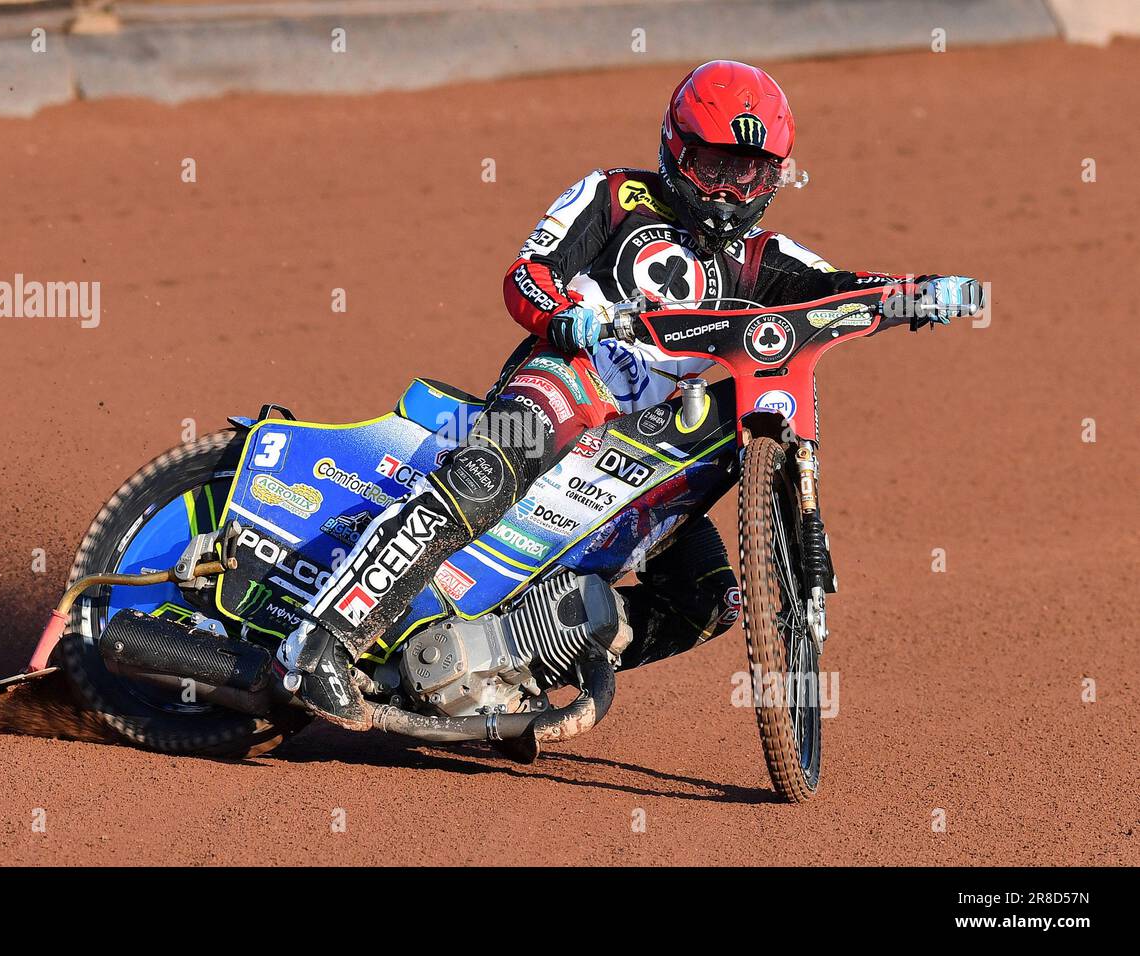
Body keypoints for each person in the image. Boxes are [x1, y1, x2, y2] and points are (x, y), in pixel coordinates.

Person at [280, 59, 982, 729]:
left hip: (644, 443)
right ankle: (318, 642)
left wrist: (921, 295)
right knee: (487, 471)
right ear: (677, 150)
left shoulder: (766, 258)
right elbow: (526, 274)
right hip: (563, 383)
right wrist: (563, 315)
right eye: (715, 169)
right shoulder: (614, 195)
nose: (731, 192)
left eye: (752, 174)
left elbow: (844, 290)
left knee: (711, 598)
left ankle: (519, 662)